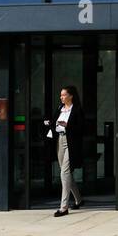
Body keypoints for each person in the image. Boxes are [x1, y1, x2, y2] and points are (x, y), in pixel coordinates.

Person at [45, 85, 84, 217]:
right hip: (59, 141)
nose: (61, 97)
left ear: (71, 96)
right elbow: (54, 122)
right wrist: (50, 123)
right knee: (66, 173)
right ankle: (79, 200)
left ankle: (64, 207)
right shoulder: (59, 109)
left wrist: (68, 126)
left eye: (63, 95)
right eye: (61, 95)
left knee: (64, 172)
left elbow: (81, 128)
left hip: (71, 142)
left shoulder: (77, 109)